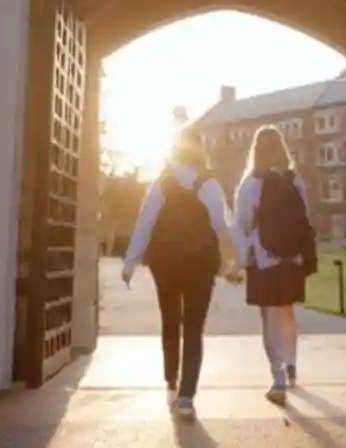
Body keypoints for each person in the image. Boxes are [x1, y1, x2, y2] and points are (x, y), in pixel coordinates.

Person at [121, 127, 238, 419]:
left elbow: (145, 223)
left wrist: (130, 263)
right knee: (194, 327)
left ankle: (170, 381)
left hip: (166, 262)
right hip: (200, 262)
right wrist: (239, 258)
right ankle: (187, 396)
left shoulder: (162, 183)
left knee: (170, 320)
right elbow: (224, 224)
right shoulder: (209, 183)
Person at [233, 125, 318, 406]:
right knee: (287, 312)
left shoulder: (251, 183)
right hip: (292, 258)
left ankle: (277, 378)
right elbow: (305, 216)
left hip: (264, 259)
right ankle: (292, 364)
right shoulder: (294, 180)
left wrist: (244, 257)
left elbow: (242, 224)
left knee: (269, 317)